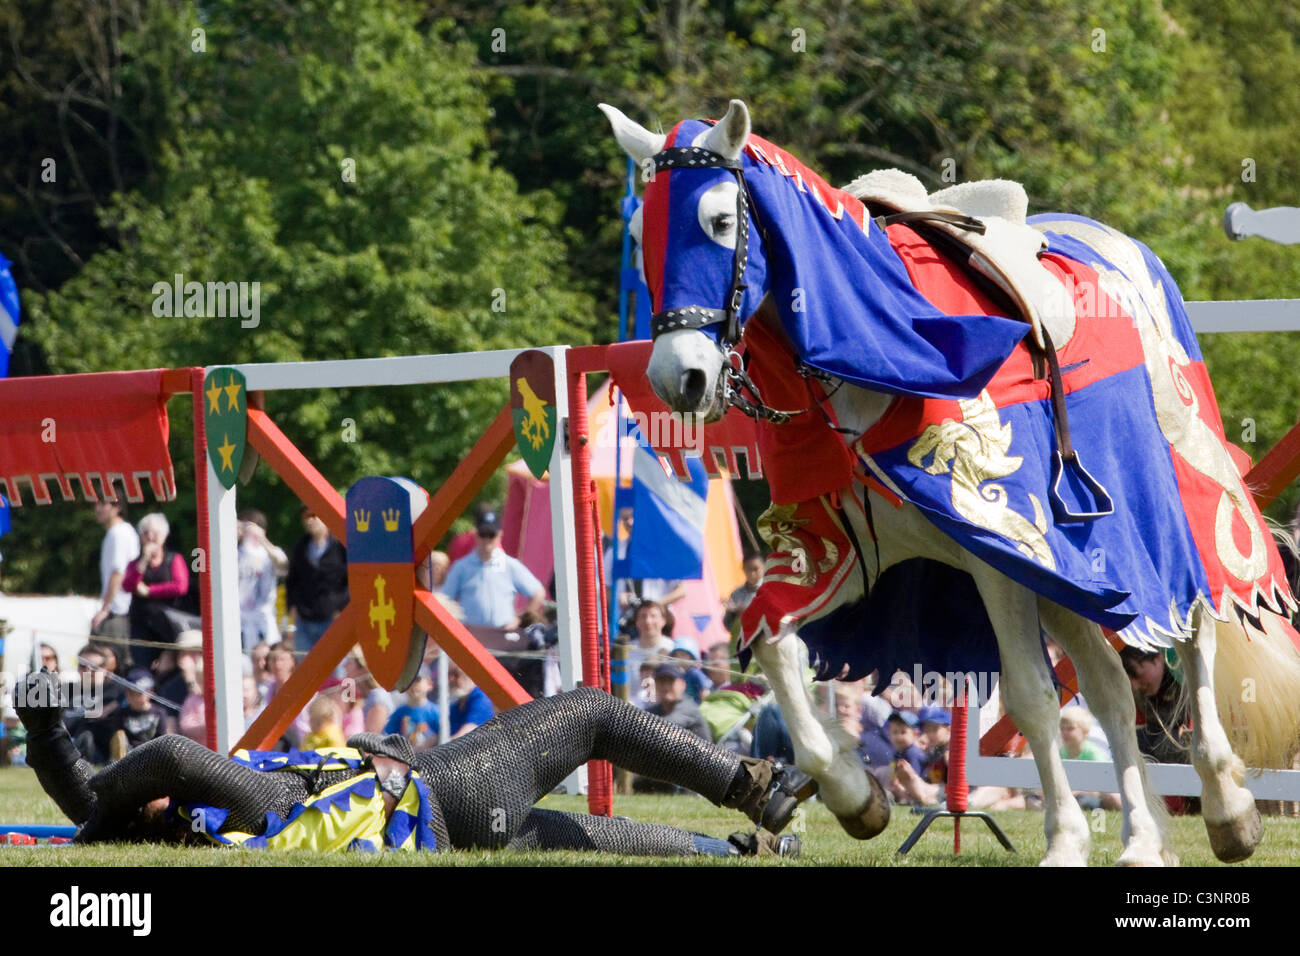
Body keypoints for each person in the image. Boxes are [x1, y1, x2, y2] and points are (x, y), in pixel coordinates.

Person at [16, 669, 809, 857]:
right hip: (451, 788)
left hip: (463, 831)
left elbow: (94, 800)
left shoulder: (233, 824)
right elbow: (160, 758)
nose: (148, 788)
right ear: (154, 812)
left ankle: (739, 855)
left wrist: (46, 726)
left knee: (599, 838)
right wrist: (53, 735)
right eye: (141, 798)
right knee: (597, 710)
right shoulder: (239, 805)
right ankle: (750, 788)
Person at [440, 509, 545, 629]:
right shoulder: (461, 567)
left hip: (503, 633)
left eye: (491, 534)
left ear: (500, 535)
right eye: (483, 534)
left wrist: (520, 619)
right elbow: (445, 600)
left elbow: (538, 593)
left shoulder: (509, 564)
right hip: (470, 634)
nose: (487, 540)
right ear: (476, 534)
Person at [121, 513, 190, 672]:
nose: (150, 537)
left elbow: (180, 586)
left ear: (164, 536)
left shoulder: (174, 559)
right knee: (141, 664)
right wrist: (143, 561)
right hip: (142, 623)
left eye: (155, 533)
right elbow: (127, 585)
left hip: (169, 623)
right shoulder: (135, 563)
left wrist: (150, 591)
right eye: (146, 533)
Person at [285, 506, 349, 653]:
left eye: (313, 516)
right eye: (305, 517)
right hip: (304, 617)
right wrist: (292, 606)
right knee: (304, 664)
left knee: (335, 663)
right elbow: (292, 579)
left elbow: (350, 580)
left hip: (332, 616)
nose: (309, 521)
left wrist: (342, 608)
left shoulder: (340, 547)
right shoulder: (301, 547)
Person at [90, 495, 140, 654]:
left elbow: (119, 572)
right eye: (96, 503)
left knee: (106, 662)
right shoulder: (117, 532)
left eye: (103, 504)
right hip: (116, 610)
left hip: (117, 611)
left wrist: (105, 608)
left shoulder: (119, 533)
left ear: (117, 507)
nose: (98, 508)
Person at [237, 509, 287, 650]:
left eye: (249, 526)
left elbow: (283, 566)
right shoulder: (235, 552)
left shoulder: (269, 553)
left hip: (264, 620)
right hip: (239, 622)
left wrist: (262, 539)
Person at [723, 553, 765, 635]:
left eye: (756, 569)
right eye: (748, 569)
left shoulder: (769, 590)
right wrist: (732, 612)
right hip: (744, 639)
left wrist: (744, 611)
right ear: (743, 570)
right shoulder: (737, 594)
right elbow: (727, 625)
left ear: (764, 568)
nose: (752, 573)